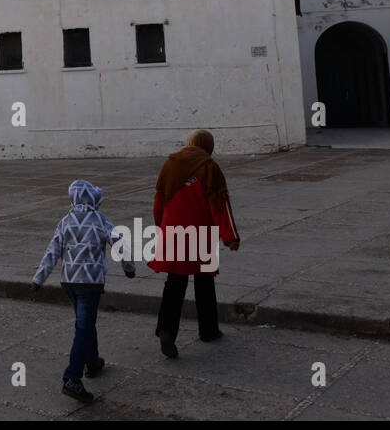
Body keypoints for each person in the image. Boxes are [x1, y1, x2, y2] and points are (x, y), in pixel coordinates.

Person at [31, 179, 135, 404]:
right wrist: (129, 269)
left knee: (85, 323)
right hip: (90, 282)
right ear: (94, 198)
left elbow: (52, 251)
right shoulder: (100, 220)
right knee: (84, 327)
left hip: (69, 282)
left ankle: (93, 362)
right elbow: (120, 245)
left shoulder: (65, 221)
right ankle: (72, 378)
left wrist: (38, 279)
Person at [149, 129, 240, 359]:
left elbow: (159, 200)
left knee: (175, 283)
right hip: (201, 233)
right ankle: (208, 330)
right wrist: (230, 235)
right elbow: (220, 204)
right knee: (205, 282)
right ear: (207, 145)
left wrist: (161, 226)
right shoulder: (209, 167)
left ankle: (167, 331)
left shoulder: (170, 165)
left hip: (174, 232)